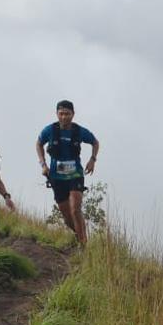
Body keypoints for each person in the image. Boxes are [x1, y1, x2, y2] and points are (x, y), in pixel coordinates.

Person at [36, 100, 99, 245]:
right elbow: (38, 143)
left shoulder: (79, 131)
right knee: (66, 216)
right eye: (61, 114)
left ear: (73, 114)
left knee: (75, 209)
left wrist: (93, 159)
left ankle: (84, 244)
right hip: (56, 177)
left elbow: (95, 142)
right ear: (57, 114)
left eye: (67, 114)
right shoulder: (49, 130)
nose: (64, 117)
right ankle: (79, 236)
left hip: (75, 174)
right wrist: (43, 164)